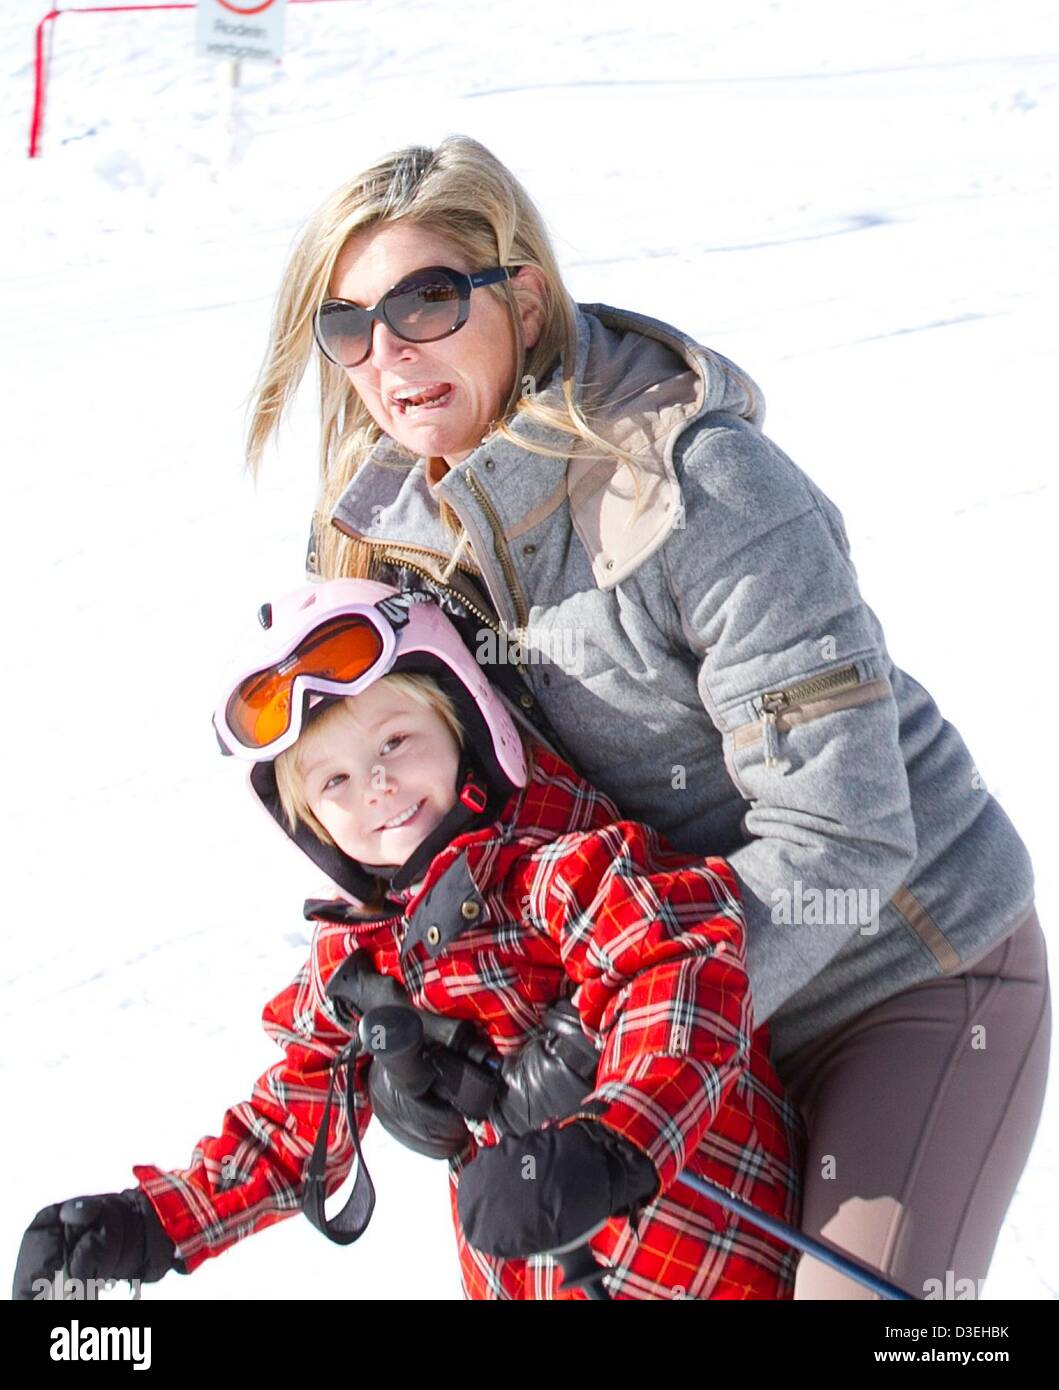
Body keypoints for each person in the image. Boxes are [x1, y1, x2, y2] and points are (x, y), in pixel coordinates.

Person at [240, 134, 1051, 1299]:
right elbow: (397, 823)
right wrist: (406, 1039)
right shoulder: (377, 551)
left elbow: (849, 832)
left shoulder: (702, 488)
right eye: (348, 324)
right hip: (655, 996)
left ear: (521, 295)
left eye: (425, 300)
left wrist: (603, 1051)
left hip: (898, 974)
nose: (387, 353)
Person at [12, 579, 804, 1302]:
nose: (378, 787)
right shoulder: (360, 962)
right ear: (313, 829)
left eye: (394, 742)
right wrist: (150, 1225)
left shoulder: (566, 871)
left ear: (467, 721)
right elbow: (296, 1127)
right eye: (335, 782)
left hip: (716, 1257)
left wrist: (613, 1147)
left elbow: (677, 975)